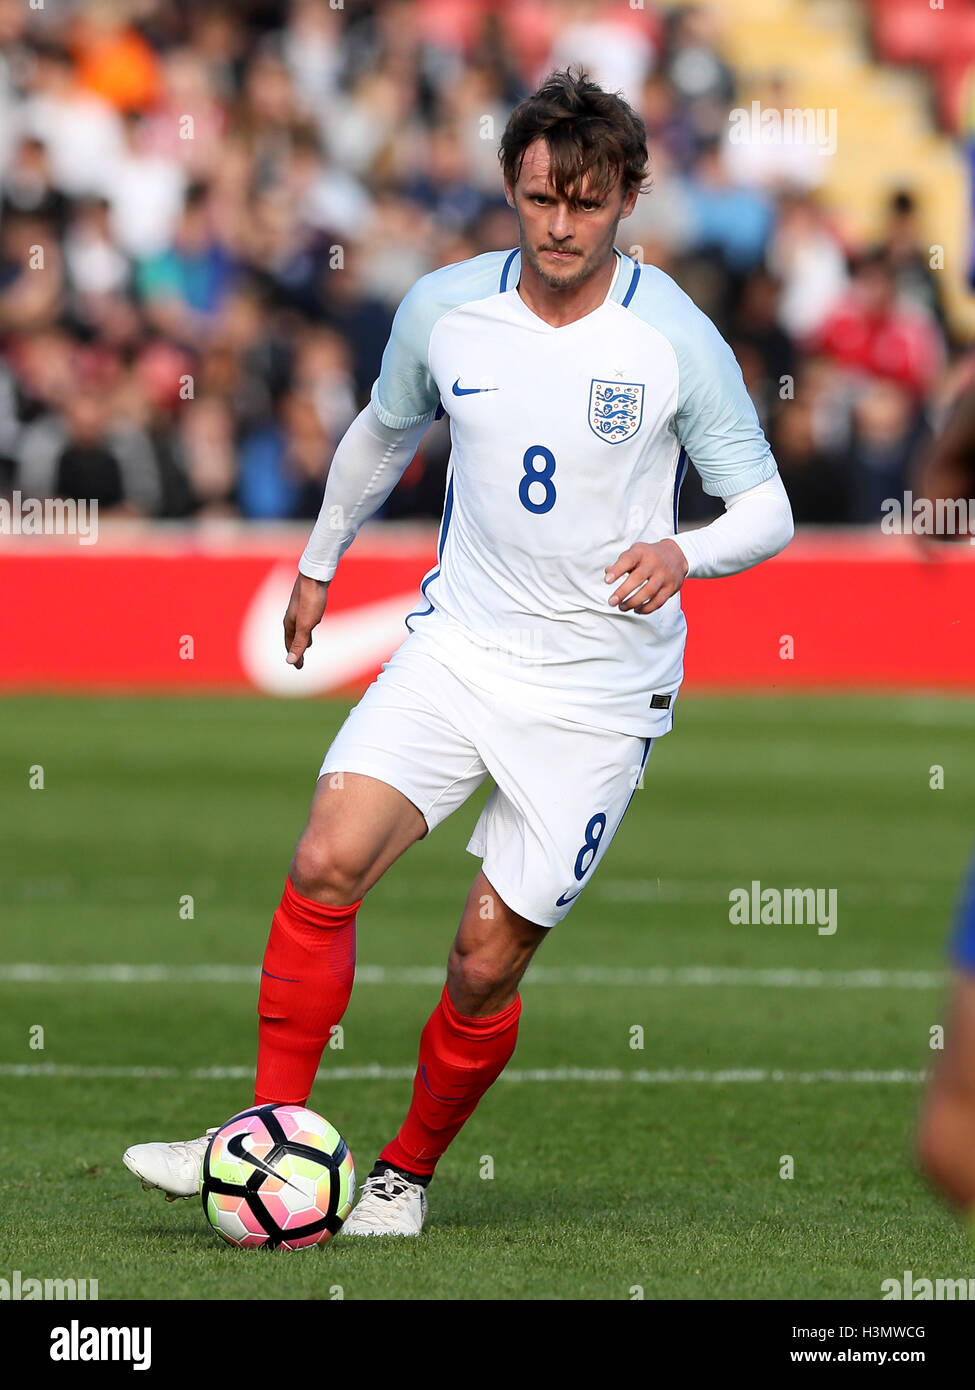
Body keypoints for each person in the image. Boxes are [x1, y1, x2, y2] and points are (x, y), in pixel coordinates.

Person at [122, 69, 794, 1237]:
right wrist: (320, 563)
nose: (561, 226)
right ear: (511, 188)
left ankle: (405, 1176)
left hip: (596, 690)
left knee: (484, 960)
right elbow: (382, 435)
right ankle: (264, 1130)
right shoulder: (444, 308)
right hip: (462, 647)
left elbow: (766, 508)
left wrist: (687, 555)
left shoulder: (673, 336)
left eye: (586, 204)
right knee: (327, 856)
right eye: (540, 199)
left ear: (627, 196)